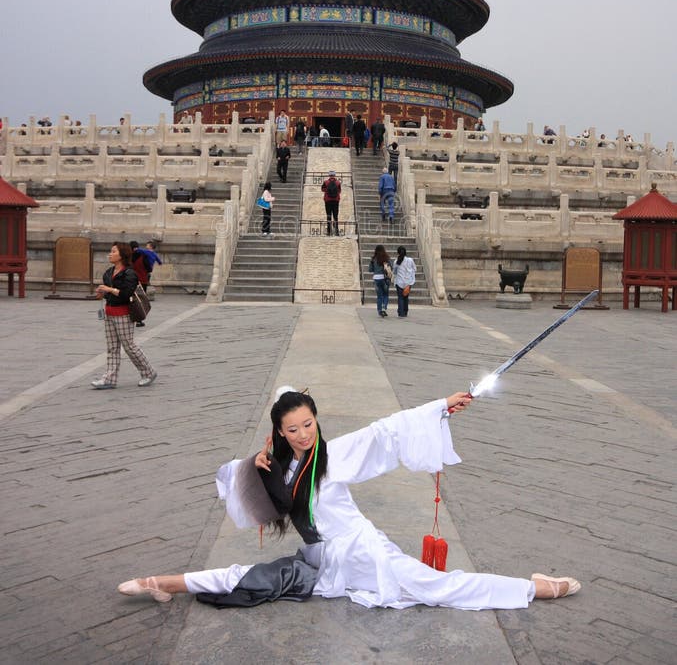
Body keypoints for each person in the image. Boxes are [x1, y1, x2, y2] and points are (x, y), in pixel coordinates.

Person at [118, 387, 580, 607]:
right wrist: (253, 465)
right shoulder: (281, 464)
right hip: (325, 560)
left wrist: (442, 408)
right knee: (251, 575)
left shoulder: (333, 455)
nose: (302, 434)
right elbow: (243, 496)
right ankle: (162, 583)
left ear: (318, 419)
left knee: (435, 588)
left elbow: (386, 432)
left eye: (308, 425)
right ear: (279, 431)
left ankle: (535, 587)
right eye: (292, 429)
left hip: (362, 549)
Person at [91, 242, 157, 389]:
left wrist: (109, 289)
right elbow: (109, 294)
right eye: (110, 251)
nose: (110, 254)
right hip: (109, 312)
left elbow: (126, 294)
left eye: (113, 251)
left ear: (122, 255)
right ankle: (110, 379)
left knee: (129, 346)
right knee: (112, 347)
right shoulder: (108, 272)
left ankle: (148, 372)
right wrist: (102, 293)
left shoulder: (130, 273)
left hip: (124, 313)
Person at [368, 244, 392, 317]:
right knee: (385, 294)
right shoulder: (386, 258)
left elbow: (370, 270)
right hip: (384, 279)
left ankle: (379, 311)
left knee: (379, 296)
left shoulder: (373, 259)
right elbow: (391, 268)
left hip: (376, 278)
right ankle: (384, 308)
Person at [393, 245, 416, 317]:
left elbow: (394, 272)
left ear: (398, 253)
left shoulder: (396, 261)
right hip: (408, 282)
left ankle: (401, 312)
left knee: (400, 297)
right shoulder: (410, 260)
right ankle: (405, 311)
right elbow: (415, 269)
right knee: (406, 296)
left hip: (399, 282)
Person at [321, 171, 341, 236]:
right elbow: (339, 191)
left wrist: (327, 191)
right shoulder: (338, 182)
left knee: (329, 215)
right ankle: (337, 231)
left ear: (329, 176)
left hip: (328, 200)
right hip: (336, 201)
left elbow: (322, 189)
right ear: (334, 175)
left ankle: (329, 231)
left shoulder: (326, 182)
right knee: (335, 216)